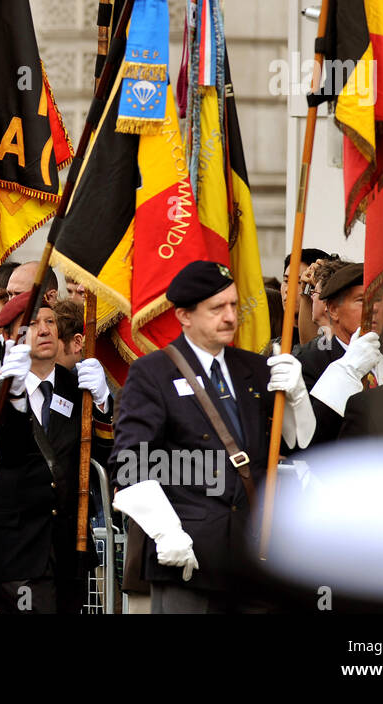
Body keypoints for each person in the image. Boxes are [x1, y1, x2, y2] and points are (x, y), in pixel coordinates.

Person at [111, 260, 315, 614]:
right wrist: (165, 532)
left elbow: (297, 441)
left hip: (255, 553)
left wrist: (297, 395)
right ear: (184, 316)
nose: (230, 317)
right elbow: (129, 464)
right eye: (217, 308)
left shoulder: (252, 367)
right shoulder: (154, 373)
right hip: (188, 555)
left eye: (234, 305)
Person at [0, 290, 111, 613]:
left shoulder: (78, 391)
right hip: (18, 550)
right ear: (9, 338)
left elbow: (106, 457)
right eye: (31, 324)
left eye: (50, 321)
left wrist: (102, 404)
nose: (44, 330)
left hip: (70, 547)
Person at [297, 262, 383, 443]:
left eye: (378, 299)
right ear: (333, 310)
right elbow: (308, 438)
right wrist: (348, 372)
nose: (375, 308)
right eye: (362, 300)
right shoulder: (310, 364)